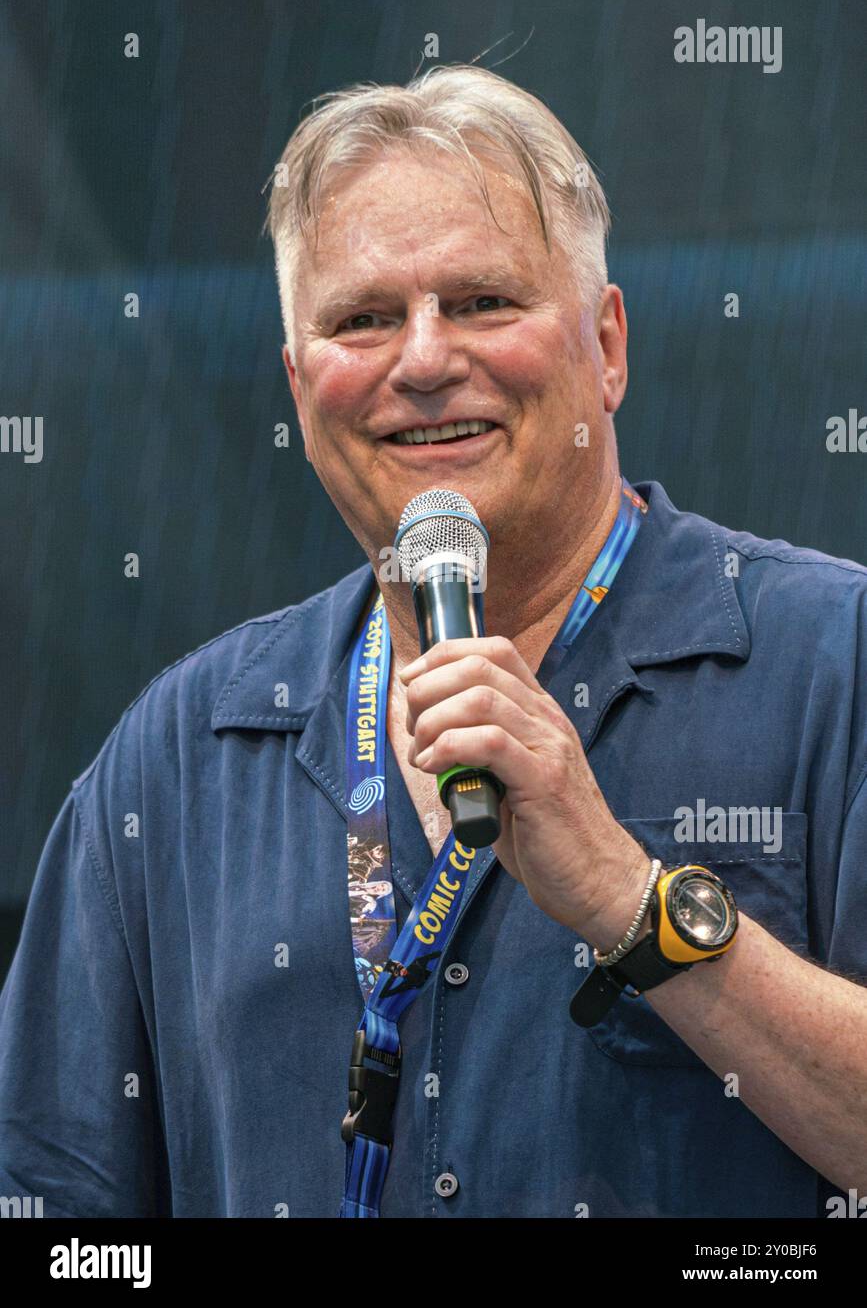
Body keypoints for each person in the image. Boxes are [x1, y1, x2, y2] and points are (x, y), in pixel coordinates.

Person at [1, 64, 865, 1219]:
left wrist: (629, 900)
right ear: (302, 390)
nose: (421, 359)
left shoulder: (834, 662)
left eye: (482, 302)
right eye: (363, 319)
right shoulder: (177, 752)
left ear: (608, 348)